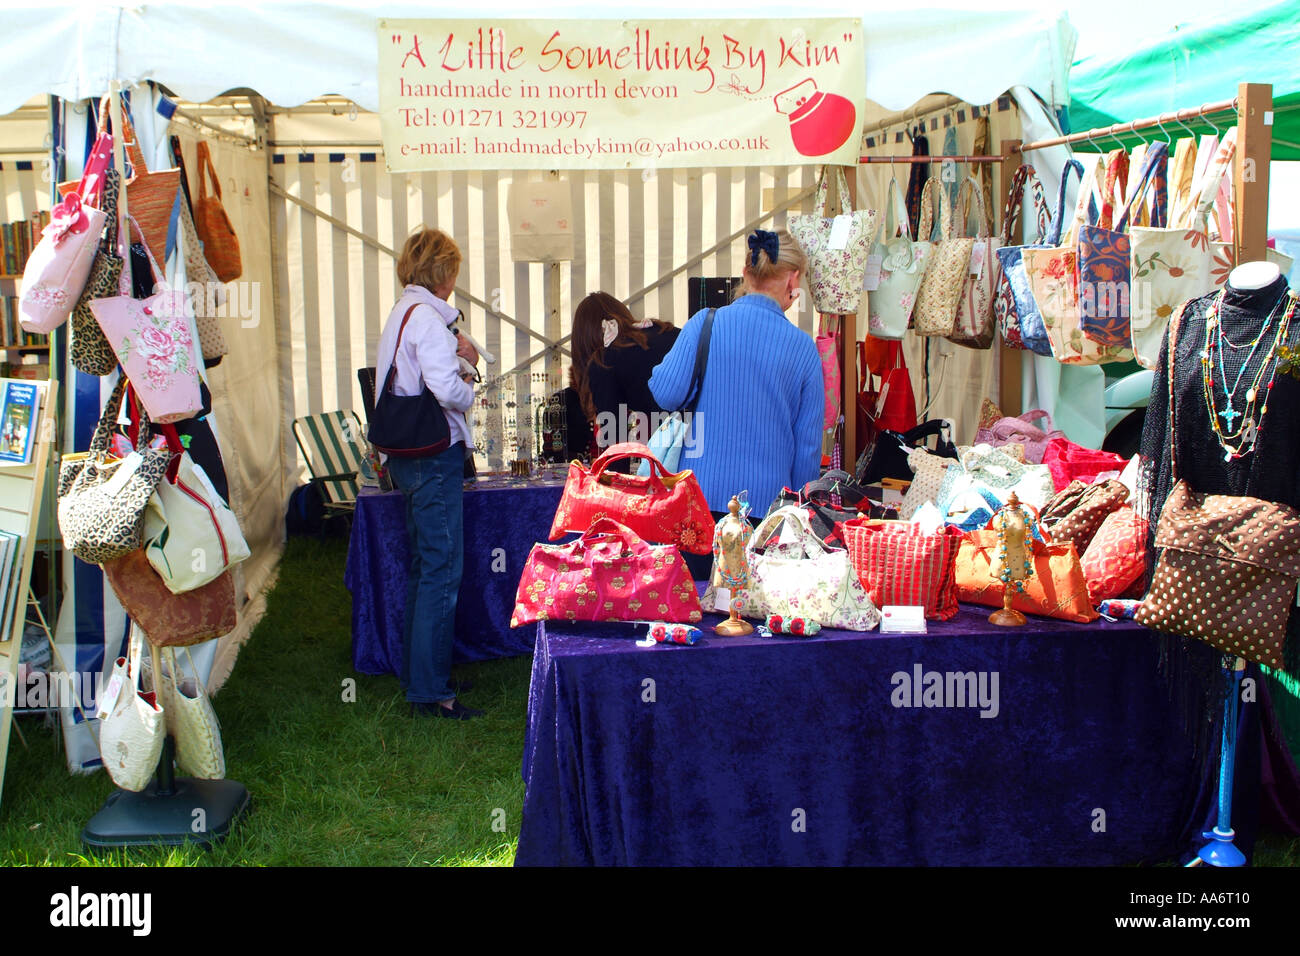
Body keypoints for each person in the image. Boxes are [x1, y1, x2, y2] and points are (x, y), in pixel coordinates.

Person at [649, 228, 823, 578]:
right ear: (793, 279)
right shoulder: (804, 349)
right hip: (766, 516)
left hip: (696, 506)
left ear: (745, 274)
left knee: (696, 610)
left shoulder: (705, 324)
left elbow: (665, 393)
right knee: (755, 620)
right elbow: (807, 452)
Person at [374, 227, 482, 720]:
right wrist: (469, 380)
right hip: (433, 453)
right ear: (444, 273)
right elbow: (445, 388)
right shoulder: (428, 321)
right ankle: (432, 690)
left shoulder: (402, 313)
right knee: (441, 569)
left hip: (407, 456)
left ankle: (423, 673)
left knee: (426, 566)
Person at [571, 291, 679, 465]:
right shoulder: (669, 333)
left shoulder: (604, 362)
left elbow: (616, 451)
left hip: (679, 457)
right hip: (710, 440)